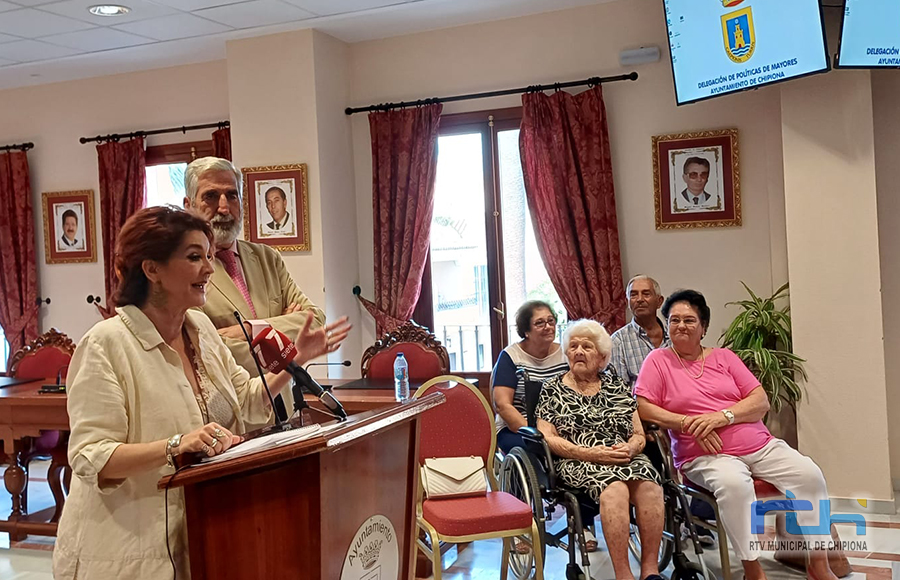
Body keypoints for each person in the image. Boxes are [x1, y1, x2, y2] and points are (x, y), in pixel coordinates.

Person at [52, 206, 351, 579]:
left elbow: (246, 401)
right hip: (127, 554)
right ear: (152, 269)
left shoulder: (201, 328)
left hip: (200, 540)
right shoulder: (105, 345)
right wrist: (174, 446)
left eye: (209, 256)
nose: (210, 269)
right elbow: (90, 456)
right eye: (195, 257)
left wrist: (297, 358)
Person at [635, 289, 839, 580]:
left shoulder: (724, 357)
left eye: (689, 320)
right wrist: (689, 423)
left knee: (809, 475)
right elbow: (643, 407)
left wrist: (721, 417)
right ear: (667, 325)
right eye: (674, 320)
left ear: (703, 327)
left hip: (760, 445)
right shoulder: (658, 361)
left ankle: (819, 565)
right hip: (705, 455)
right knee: (735, 486)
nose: (681, 325)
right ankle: (752, 570)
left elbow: (760, 401)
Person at [183, 157, 324, 422]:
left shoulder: (267, 258)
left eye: (232, 195)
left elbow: (314, 321)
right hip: (228, 420)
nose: (224, 207)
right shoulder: (183, 270)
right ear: (189, 206)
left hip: (286, 408)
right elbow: (199, 349)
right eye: (211, 196)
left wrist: (249, 330)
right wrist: (283, 330)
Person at [536, 319, 664, 580]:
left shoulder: (616, 386)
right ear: (567, 353)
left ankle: (650, 570)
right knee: (615, 489)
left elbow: (638, 433)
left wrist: (630, 448)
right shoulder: (552, 389)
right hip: (578, 459)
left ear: (603, 357)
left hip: (623, 455)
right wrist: (591, 453)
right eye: (573, 346)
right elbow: (547, 437)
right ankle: (623, 574)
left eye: (587, 346)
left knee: (651, 487)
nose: (579, 351)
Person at [490, 300, 568, 454]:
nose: (548, 327)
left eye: (550, 321)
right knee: (539, 451)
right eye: (539, 323)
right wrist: (537, 434)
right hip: (519, 428)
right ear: (526, 330)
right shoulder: (511, 356)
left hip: (559, 424)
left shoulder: (565, 354)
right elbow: (503, 406)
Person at [610, 275, 668, 390]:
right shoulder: (618, 341)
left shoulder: (674, 337)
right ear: (628, 302)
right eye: (633, 295)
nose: (640, 299)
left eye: (646, 294)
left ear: (659, 301)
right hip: (638, 407)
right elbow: (618, 393)